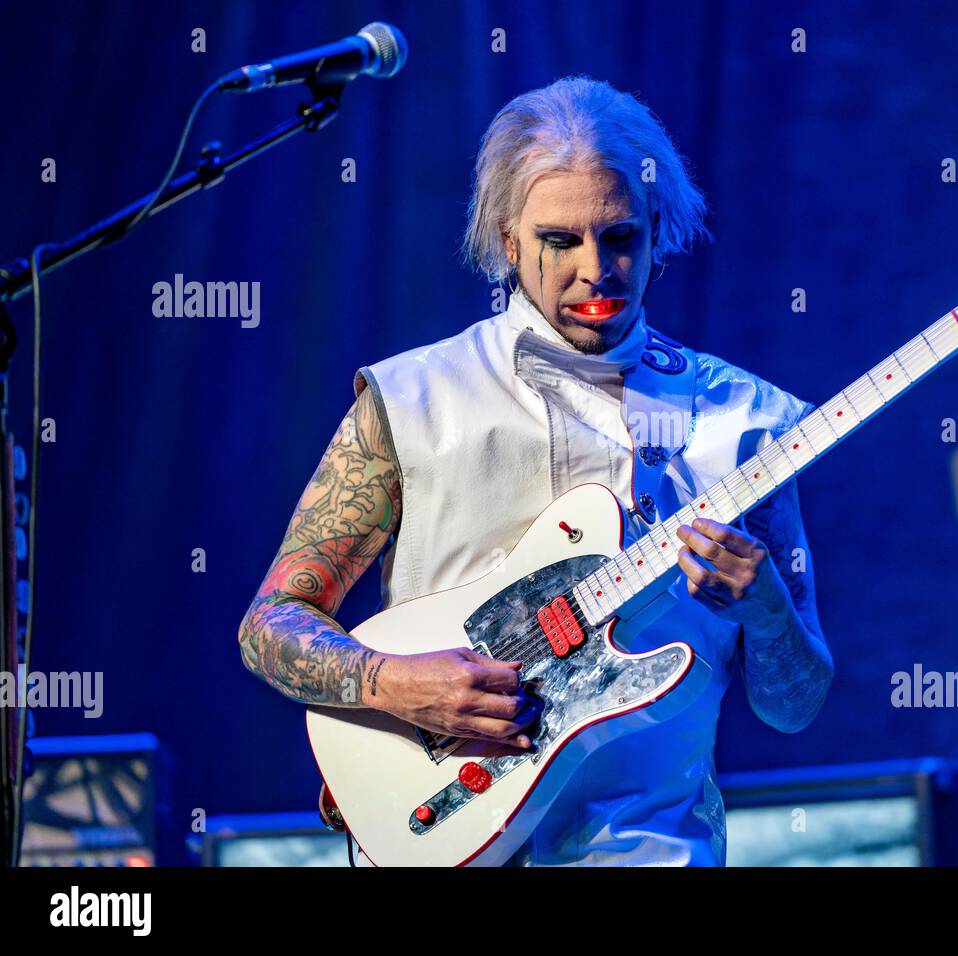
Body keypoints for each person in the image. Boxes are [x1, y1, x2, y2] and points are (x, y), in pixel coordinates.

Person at [238, 75, 834, 866]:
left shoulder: (744, 420)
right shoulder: (411, 398)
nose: (596, 269)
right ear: (507, 241)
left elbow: (795, 706)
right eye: (560, 240)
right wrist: (391, 682)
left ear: (657, 229)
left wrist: (765, 608)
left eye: (620, 238)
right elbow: (270, 623)